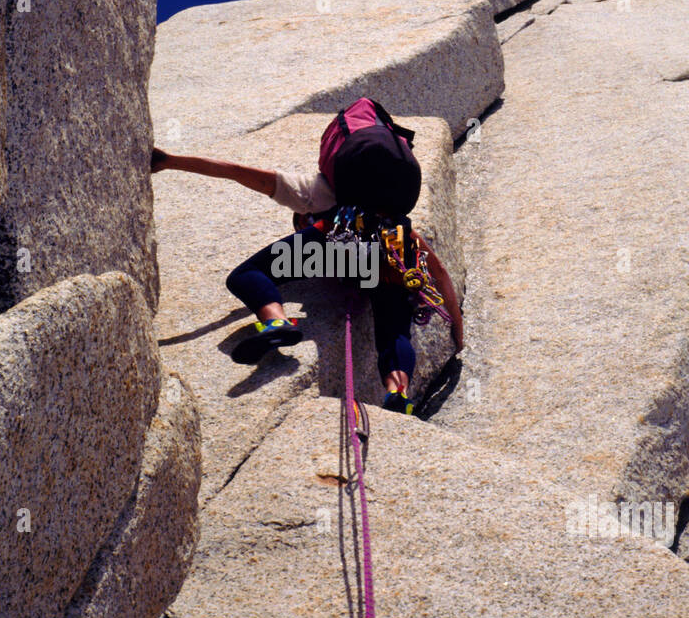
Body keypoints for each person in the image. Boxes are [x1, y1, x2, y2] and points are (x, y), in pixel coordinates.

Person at [151, 136, 463, 415]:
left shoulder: (310, 195)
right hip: (389, 260)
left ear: (303, 218)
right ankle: (398, 391)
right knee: (394, 333)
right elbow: (439, 271)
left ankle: (275, 319)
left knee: (248, 274)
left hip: (333, 247)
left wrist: (170, 163)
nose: (299, 227)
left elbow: (236, 172)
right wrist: (457, 331)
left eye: (299, 224)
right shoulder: (397, 225)